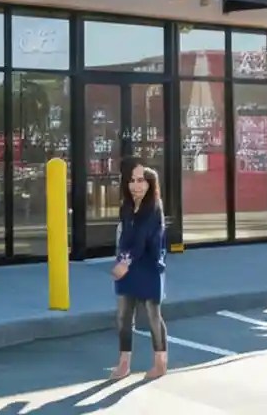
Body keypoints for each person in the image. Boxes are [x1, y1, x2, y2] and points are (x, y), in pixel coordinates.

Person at [109, 157, 168, 380]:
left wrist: (126, 262)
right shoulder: (126, 206)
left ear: (150, 183)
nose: (137, 185)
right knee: (124, 315)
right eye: (133, 180)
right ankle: (124, 363)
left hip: (149, 266)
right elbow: (125, 238)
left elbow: (143, 240)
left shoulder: (154, 208)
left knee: (153, 314)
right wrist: (122, 259)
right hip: (129, 266)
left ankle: (160, 362)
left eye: (142, 180)